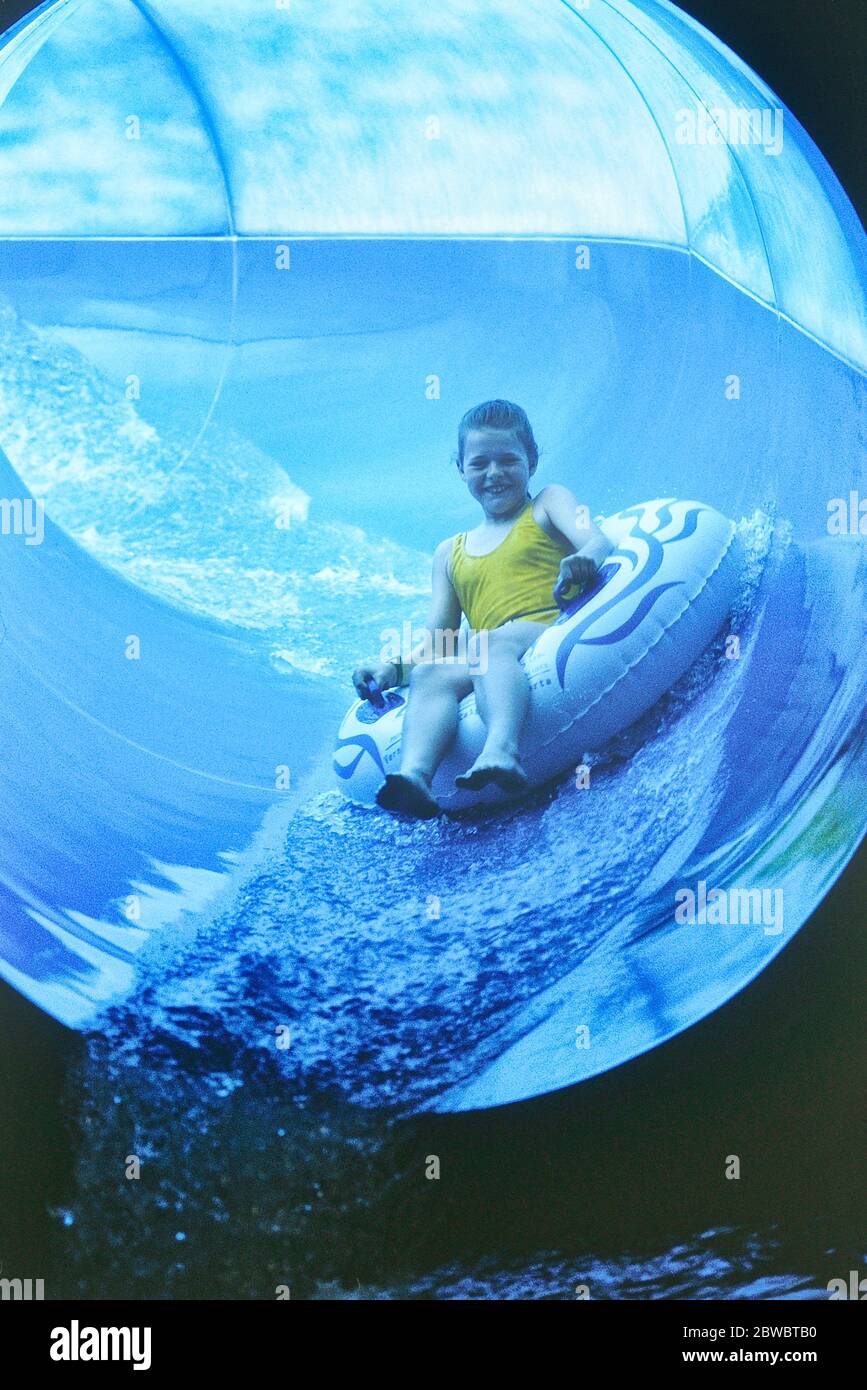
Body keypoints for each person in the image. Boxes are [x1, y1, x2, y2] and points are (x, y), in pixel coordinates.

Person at [351, 400, 613, 818]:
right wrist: (390, 669)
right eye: (479, 464)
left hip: (549, 628)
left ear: (533, 459)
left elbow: (597, 540)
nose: (495, 473)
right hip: (491, 656)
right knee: (430, 673)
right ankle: (416, 777)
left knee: (488, 644)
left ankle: (501, 750)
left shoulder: (547, 504)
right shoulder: (450, 553)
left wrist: (587, 560)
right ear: (460, 469)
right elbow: (439, 642)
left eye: (509, 459)